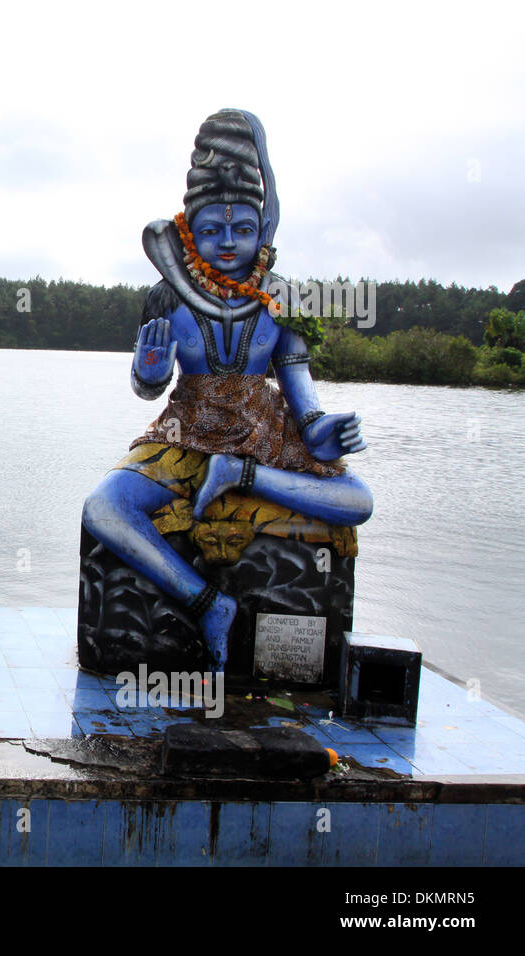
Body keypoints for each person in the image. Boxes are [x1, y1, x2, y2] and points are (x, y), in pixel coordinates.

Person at [81, 109, 372, 671]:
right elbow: (149, 387)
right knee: (105, 508)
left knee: (357, 501)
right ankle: (206, 599)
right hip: (185, 429)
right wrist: (148, 368)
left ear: (262, 230)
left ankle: (244, 476)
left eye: (242, 229)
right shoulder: (169, 296)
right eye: (212, 230)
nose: (229, 243)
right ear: (190, 230)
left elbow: (298, 387)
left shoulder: (280, 297)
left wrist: (322, 430)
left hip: (263, 428)